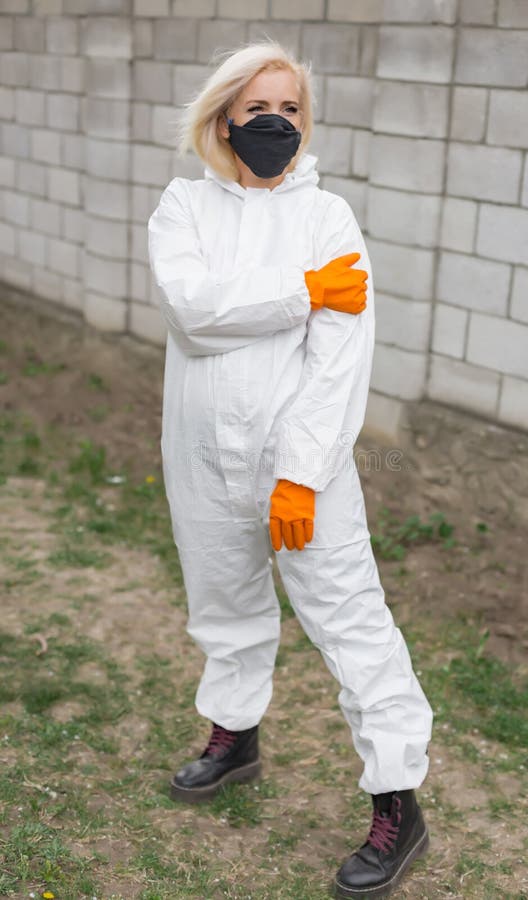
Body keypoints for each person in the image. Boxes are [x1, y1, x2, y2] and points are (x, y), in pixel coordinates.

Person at [147, 40, 433, 900]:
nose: (275, 123)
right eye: (257, 108)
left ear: (309, 122)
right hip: (198, 454)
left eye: (293, 109)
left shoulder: (329, 218)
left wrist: (302, 473)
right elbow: (194, 314)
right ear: (224, 117)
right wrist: (303, 292)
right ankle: (234, 736)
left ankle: (397, 801)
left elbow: (338, 362)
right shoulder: (182, 207)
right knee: (223, 604)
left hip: (296, 464)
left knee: (353, 625)